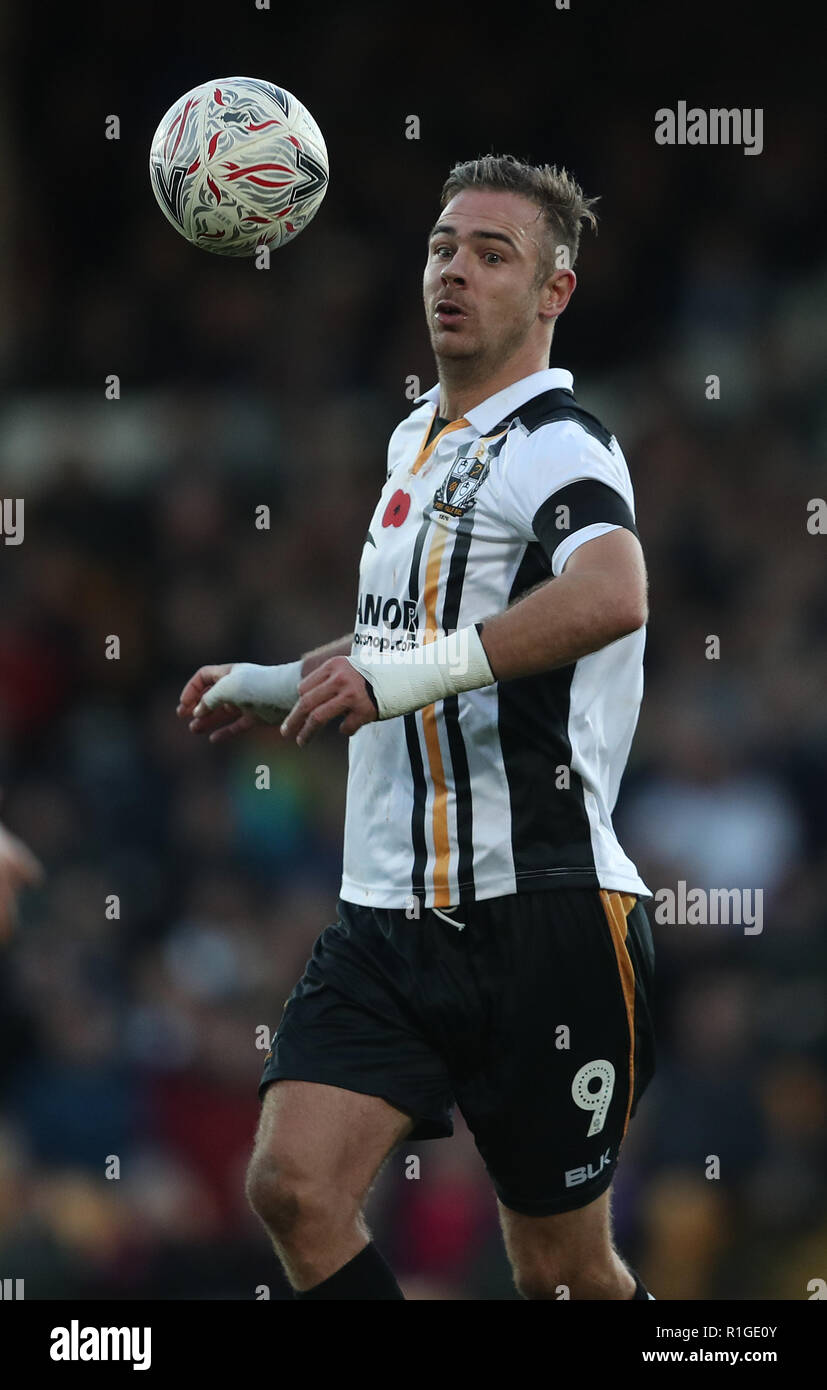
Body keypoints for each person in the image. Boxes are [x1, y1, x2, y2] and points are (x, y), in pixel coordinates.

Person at [177, 154, 657, 1301]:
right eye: (443, 246)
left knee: (559, 1272)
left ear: (553, 292)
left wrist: (402, 681)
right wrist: (260, 676)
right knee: (293, 1187)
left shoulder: (557, 441)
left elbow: (613, 591)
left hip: (539, 908)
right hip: (387, 913)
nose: (455, 271)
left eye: (493, 255)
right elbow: (393, 646)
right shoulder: (414, 444)